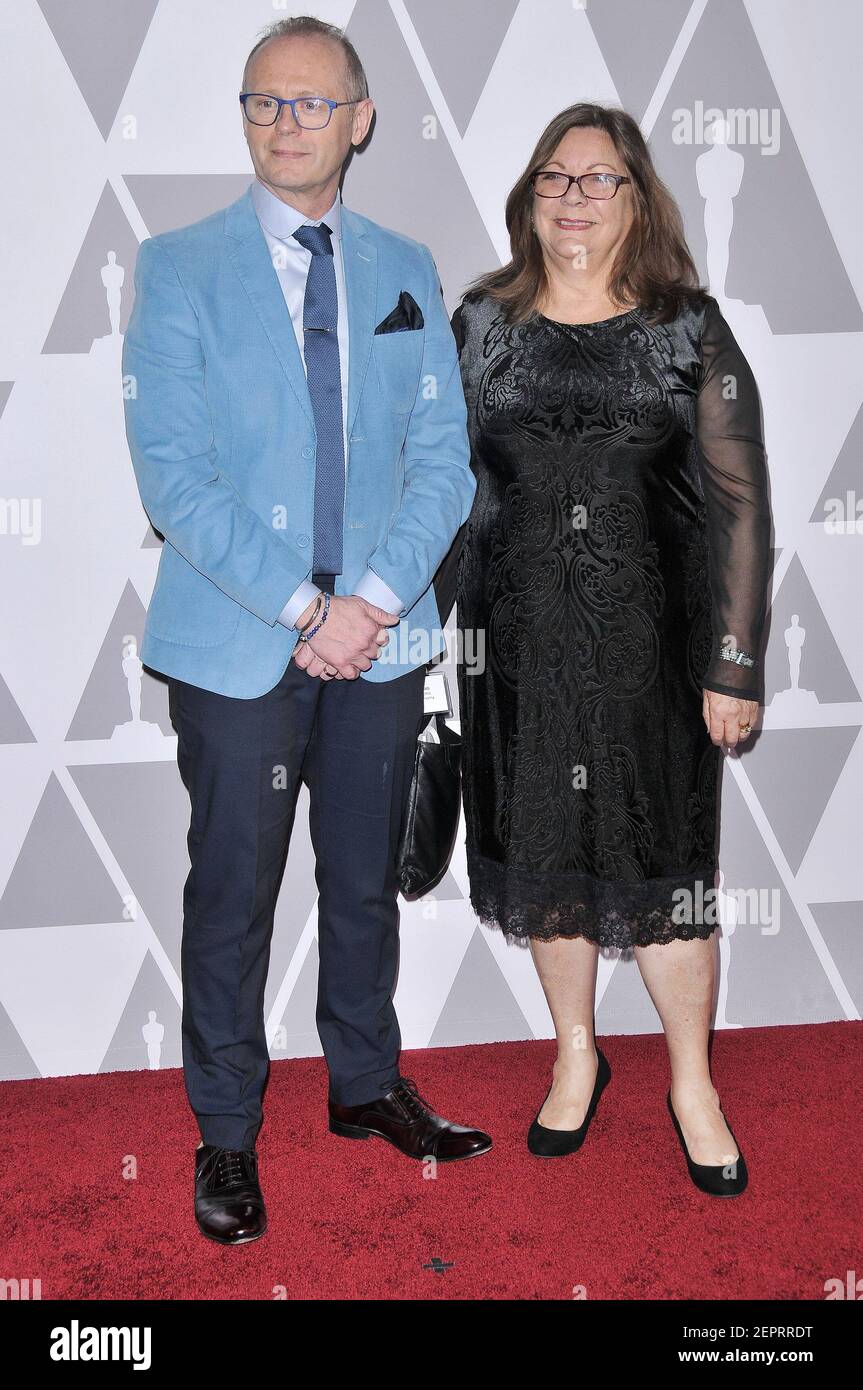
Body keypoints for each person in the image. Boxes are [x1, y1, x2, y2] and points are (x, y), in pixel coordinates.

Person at [122, 15, 489, 1246]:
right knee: (230, 891)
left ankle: (365, 1082)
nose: (286, 124)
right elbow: (173, 479)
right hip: (240, 638)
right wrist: (301, 610)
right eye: (263, 103)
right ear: (245, 119)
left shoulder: (403, 262)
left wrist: (371, 604)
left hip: (378, 639)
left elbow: (441, 459)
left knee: (360, 879)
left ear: (361, 119)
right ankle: (226, 1130)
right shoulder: (176, 267)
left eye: (311, 103)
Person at [447, 103, 771, 1197]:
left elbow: (736, 500)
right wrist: (414, 632)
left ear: (637, 198)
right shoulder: (478, 325)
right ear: (526, 198)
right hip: (519, 652)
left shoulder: (689, 327)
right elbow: (442, 488)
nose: (573, 196)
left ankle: (691, 1083)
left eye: (598, 178)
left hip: (652, 657)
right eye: (553, 177)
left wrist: (731, 660)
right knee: (546, 860)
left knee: (664, 868)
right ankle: (575, 1053)